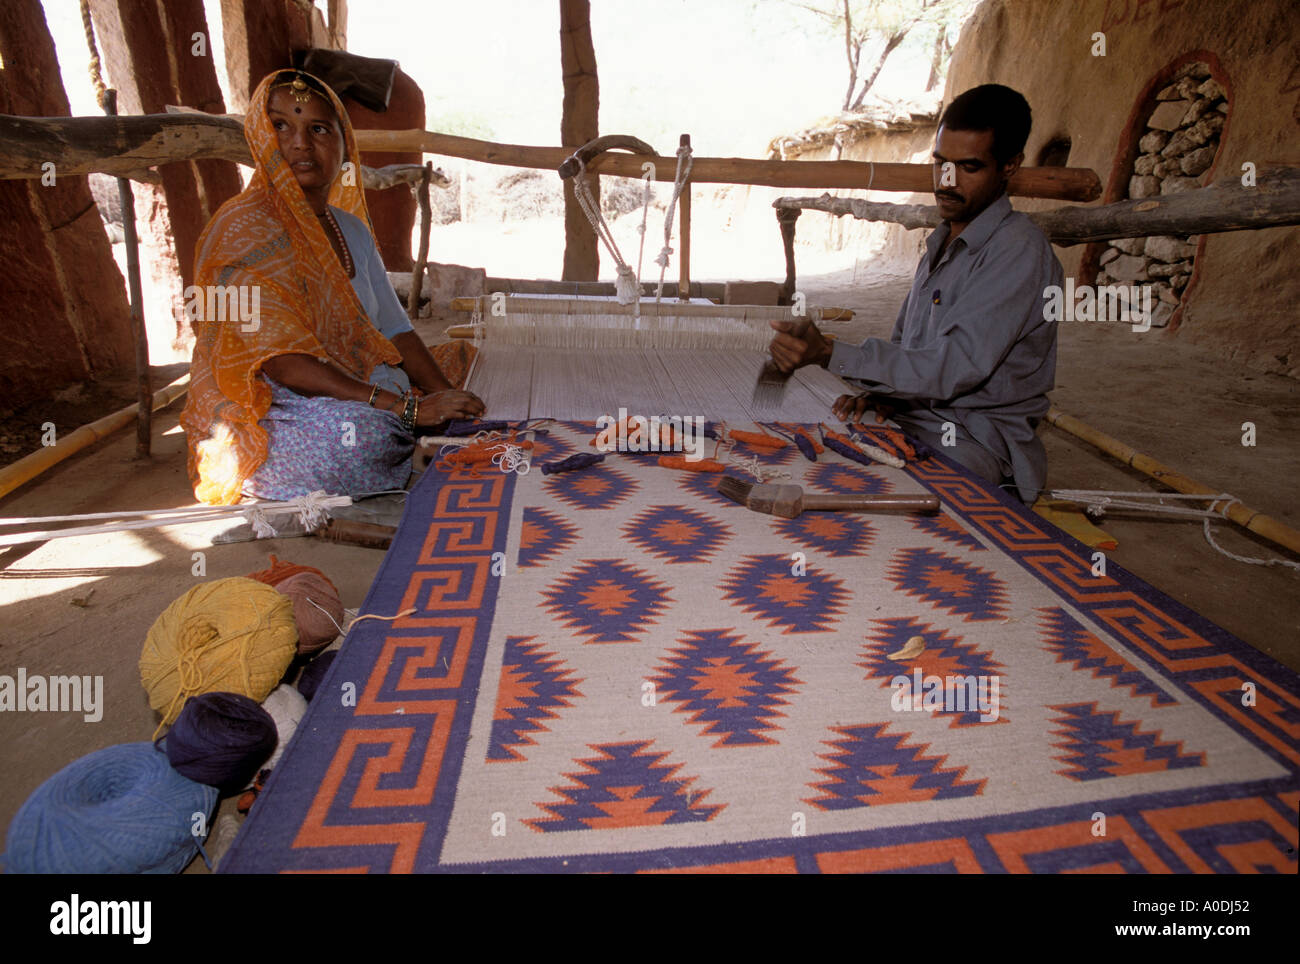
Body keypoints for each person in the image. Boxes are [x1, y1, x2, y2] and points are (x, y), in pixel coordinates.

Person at [181, 69, 484, 505]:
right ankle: (398, 437)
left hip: (355, 383)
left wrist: (443, 399)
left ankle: (410, 433)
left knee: (465, 361)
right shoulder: (239, 232)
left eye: (319, 129)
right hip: (272, 404)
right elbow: (284, 363)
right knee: (362, 438)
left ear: (344, 146)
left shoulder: (351, 230)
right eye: (280, 126)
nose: (301, 143)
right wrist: (407, 408)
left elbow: (395, 330)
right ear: (259, 137)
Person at [768, 84, 1063, 504]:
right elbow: (908, 347)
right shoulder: (942, 243)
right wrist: (882, 394)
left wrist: (830, 352)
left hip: (974, 441)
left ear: (1010, 166)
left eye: (969, 167)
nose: (947, 181)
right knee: (796, 456)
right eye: (940, 163)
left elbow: (954, 368)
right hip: (914, 418)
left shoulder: (1019, 250)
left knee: (854, 498)